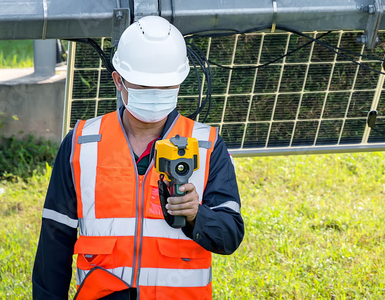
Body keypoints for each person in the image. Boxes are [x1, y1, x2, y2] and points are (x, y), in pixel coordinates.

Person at [33, 15, 244, 300]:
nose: (156, 94)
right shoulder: (81, 144)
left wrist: (197, 215)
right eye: (145, 85)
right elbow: (54, 243)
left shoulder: (207, 145)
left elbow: (230, 235)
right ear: (119, 81)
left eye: (166, 85)